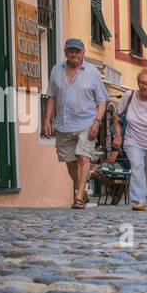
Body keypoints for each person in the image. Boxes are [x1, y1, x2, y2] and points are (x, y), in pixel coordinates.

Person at [41, 38, 109, 209]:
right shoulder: (56, 70)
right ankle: (82, 189)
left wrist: (97, 122)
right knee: (70, 161)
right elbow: (51, 97)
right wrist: (47, 119)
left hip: (87, 122)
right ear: (65, 52)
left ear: (83, 53)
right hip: (63, 123)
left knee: (83, 158)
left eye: (77, 51)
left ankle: (78, 197)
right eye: (70, 51)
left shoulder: (92, 72)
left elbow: (102, 101)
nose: (74, 54)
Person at [113, 68, 147, 212]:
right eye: (142, 82)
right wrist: (118, 135)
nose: (144, 86)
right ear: (138, 83)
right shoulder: (128, 96)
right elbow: (117, 117)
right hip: (133, 140)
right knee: (137, 167)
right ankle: (139, 200)